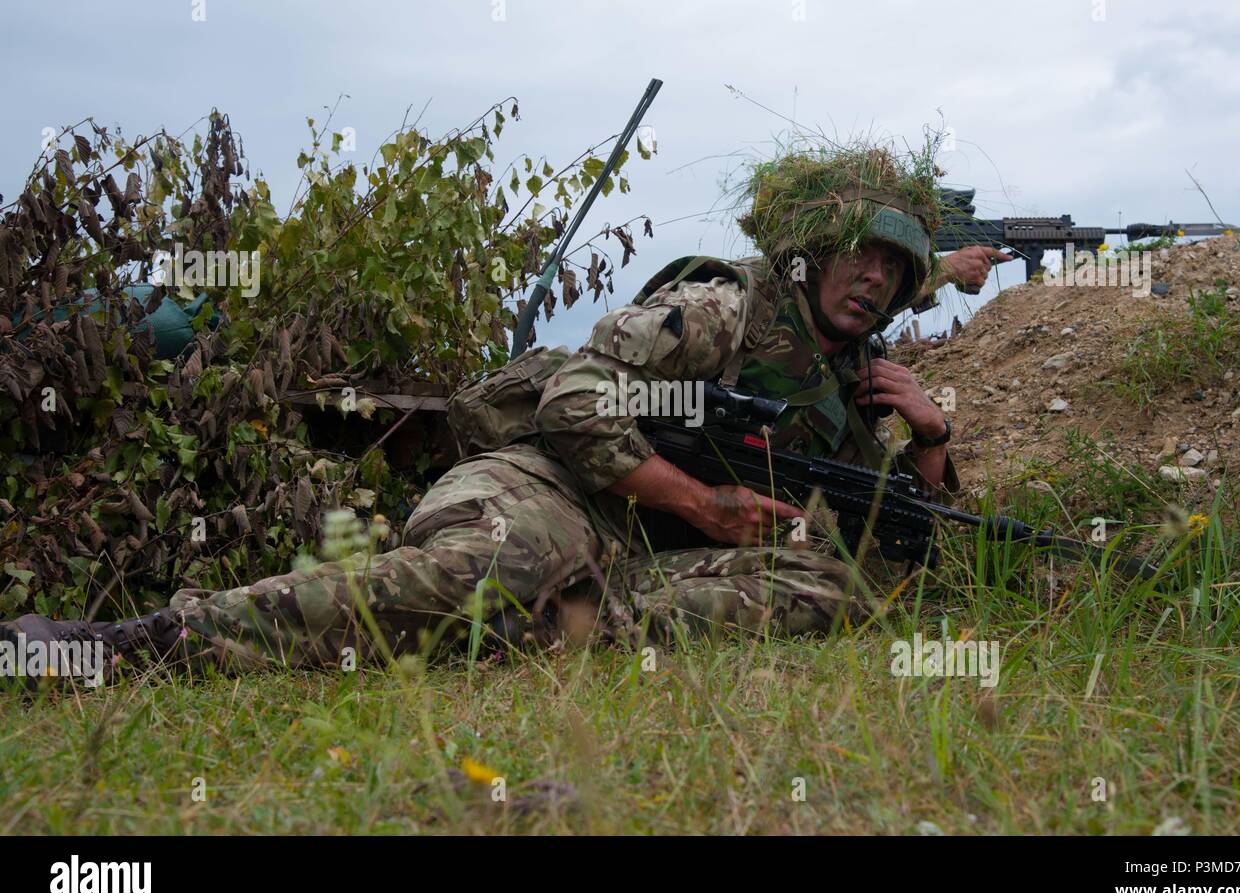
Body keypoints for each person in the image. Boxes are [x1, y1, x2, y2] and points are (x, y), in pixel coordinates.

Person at [1, 144, 1006, 678]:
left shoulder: (854, 385)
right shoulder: (721, 309)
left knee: (835, 586)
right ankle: (119, 645)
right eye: (860, 255)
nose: (872, 279)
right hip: (550, 481)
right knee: (495, 568)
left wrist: (931, 434)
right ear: (817, 253)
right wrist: (702, 504)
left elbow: (901, 550)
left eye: (896, 267)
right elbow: (575, 398)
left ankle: (575, 629)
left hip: (644, 561)